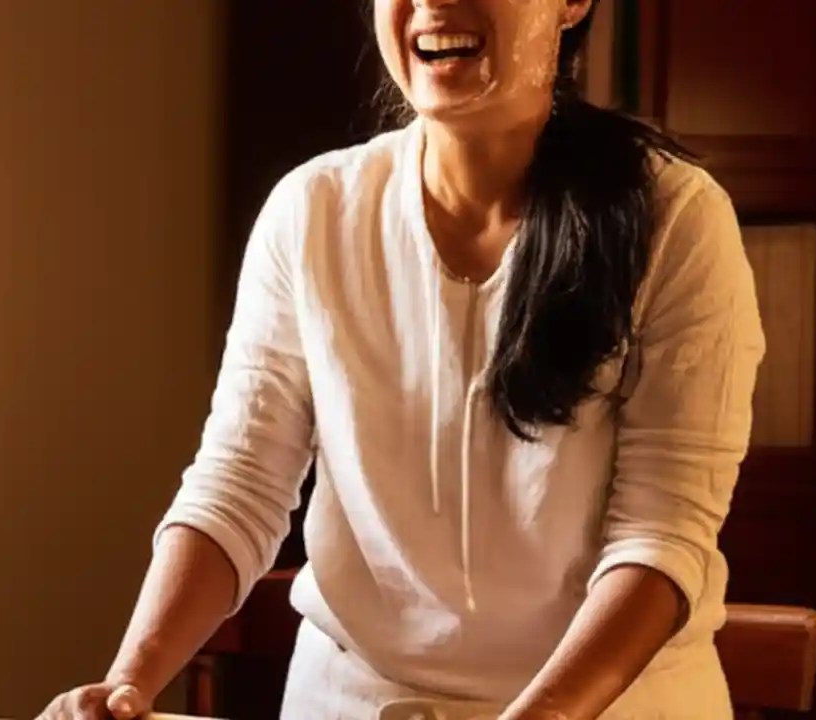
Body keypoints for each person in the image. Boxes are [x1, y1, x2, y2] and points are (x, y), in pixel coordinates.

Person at [39, 0, 765, 717]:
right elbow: (239, 485)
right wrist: (127, 684)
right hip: (351, 701)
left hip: (605, 707)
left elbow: (660, 538)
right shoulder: (312, 210)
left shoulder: (675, 216)